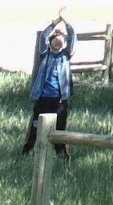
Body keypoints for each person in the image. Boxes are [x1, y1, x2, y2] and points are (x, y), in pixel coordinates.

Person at [22, 11, 75, 158]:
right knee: (35, 126)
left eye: (61, 41)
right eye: (55, 40)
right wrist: (56, 21)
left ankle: (62, 156)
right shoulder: (45, 54)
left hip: (60, 100)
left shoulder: (66, 55)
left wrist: (66, 21)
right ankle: (27, 152)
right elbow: (44, 35)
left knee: (60, 128)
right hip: (43, 98)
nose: (58, 42)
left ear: (64, 44)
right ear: (50, 42)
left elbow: (73, 37)